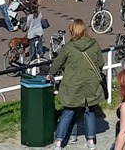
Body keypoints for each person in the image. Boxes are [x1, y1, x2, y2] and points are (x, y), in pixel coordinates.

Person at [48, 19, 104, 150]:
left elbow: (57, 63)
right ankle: (91, 141)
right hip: (91, 84)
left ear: (73, 31)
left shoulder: (68, 47)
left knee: (68, 111)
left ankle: (59, 142)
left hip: (72, 84)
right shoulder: (94, 44)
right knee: (89, 111)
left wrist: (51, 74)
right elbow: (101, 63)